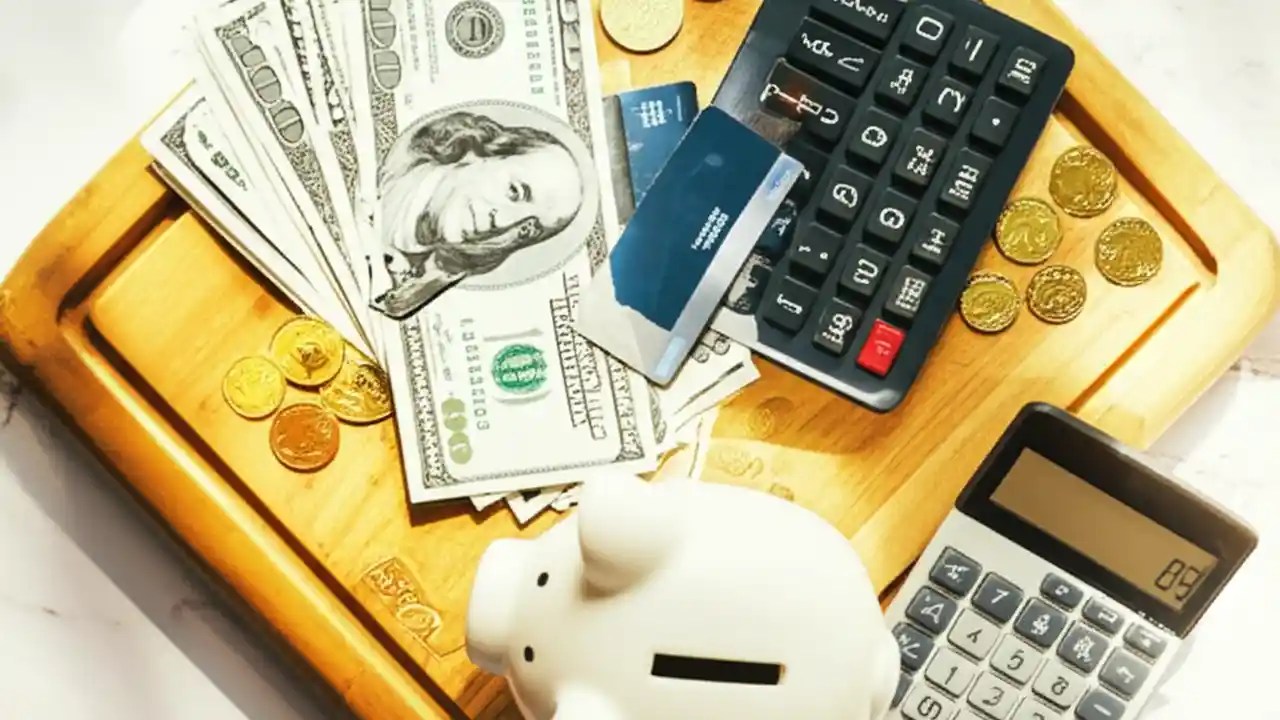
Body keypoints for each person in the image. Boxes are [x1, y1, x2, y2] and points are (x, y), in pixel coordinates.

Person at [372, 110, 585, 319]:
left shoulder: (401, 282)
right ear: (476, 152)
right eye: (514, 192)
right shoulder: (374, 180)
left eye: (525, 229)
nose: (504, 223)